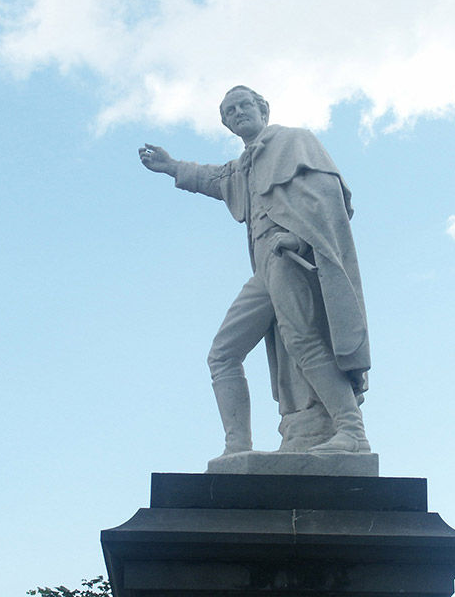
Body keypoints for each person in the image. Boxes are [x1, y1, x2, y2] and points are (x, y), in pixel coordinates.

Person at [139, 85, 370, 456]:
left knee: (303, 341)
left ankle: (351, 430)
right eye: (229, 111)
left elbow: (328, 199)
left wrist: (298, 238)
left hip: (290, 257)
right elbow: (215, 179)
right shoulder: (245, 165)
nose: (238, 113)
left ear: (263, 109)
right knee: (223, 354)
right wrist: (171, 167)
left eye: (244, 105)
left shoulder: (295, 142)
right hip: (264, 267)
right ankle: (237, 448)